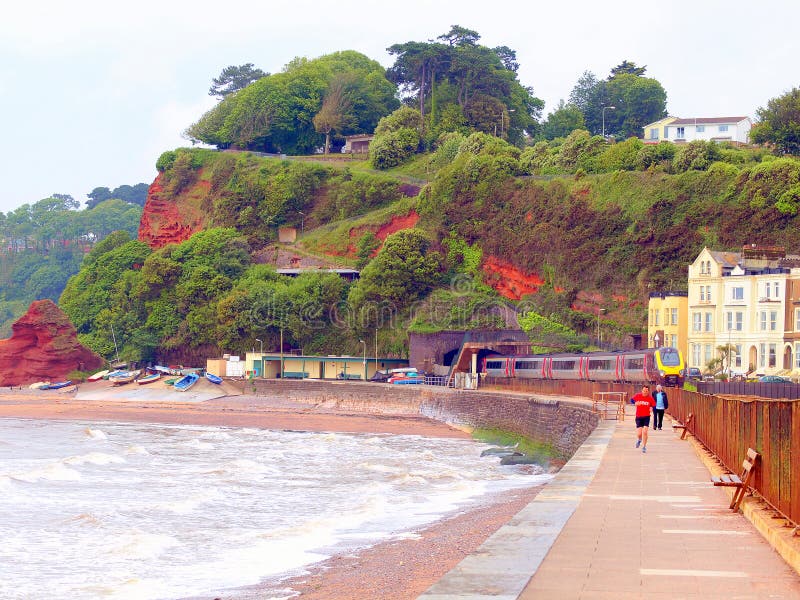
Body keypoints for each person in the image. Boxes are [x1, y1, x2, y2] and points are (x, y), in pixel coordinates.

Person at [631, 384, 656, 453]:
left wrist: (651, 408)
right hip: (639, 417)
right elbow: (631, 400)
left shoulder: (650, 398)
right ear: (642, 390)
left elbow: (654, 405)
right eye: (644, 390)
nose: (645, 392)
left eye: (646, 391)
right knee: (639, 434)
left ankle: (644, 447)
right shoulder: (638, 396)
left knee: (645, 432)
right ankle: (639, 440)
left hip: (646, 417)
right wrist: (635, 403)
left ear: (648, 391)